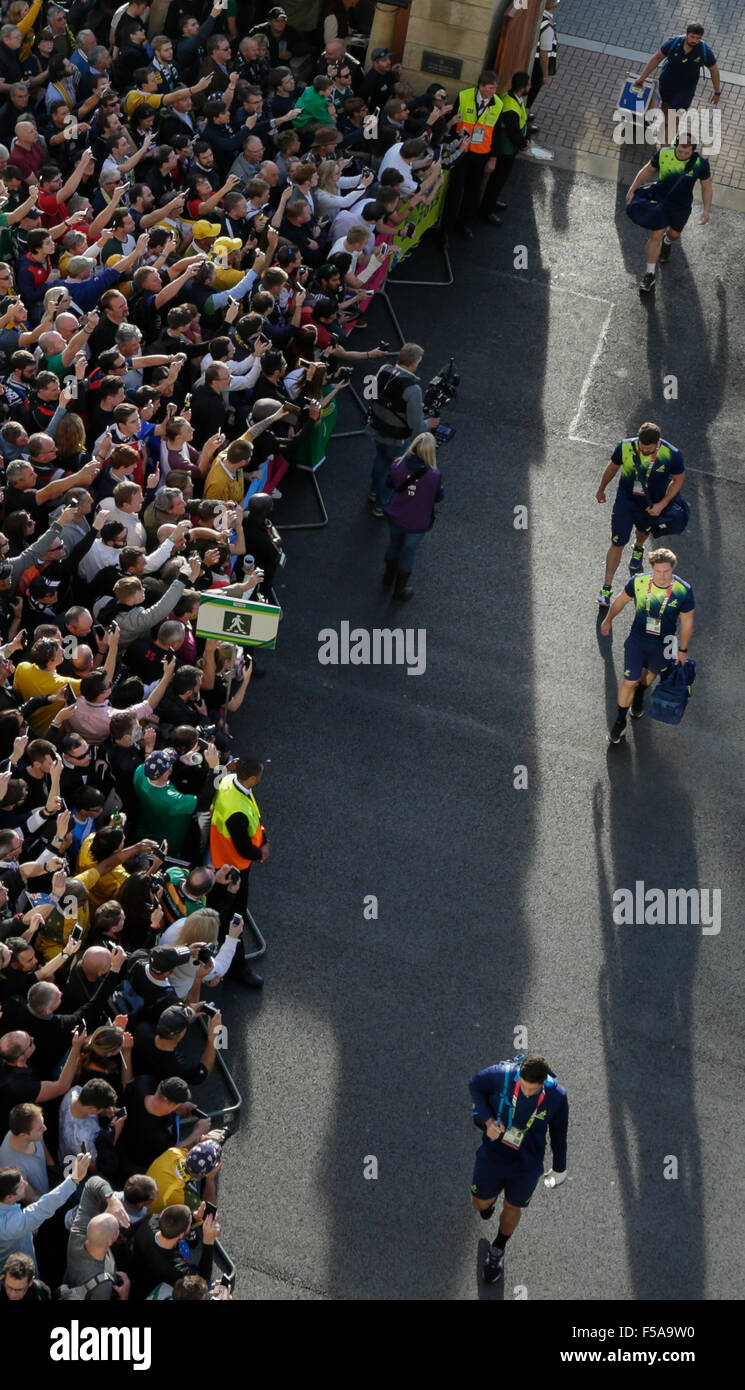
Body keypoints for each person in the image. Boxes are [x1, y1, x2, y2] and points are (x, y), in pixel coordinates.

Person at [469, 1054, 568, 1285]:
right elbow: (474, 1084)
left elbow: (559, 1134)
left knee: (513, 1207)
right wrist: (488, 1121)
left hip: (527, 1162)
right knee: (480, 1203)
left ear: (543, 1082)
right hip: (494, 1153)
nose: (527, 1092)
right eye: (523, 1086)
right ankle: (488, 1204)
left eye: (533, 1089)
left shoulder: (557, 1096)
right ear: (519, 1075)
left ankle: (498, 1249)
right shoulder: (501, 1074)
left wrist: (559, 1169)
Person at [601, 547, 695, 744]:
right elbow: (620, 601)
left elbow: (687, 622)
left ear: (673, 569)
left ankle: (640, 695)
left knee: (649, 675)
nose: (662, 576)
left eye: (666, 571)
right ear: (652, 569)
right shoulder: (639, 582)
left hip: (663, 645)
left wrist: (683, 650)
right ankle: (620, 722)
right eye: (658, 571)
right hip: (638, 641)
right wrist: (608, 620)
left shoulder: (683, 590)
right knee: (629, 681)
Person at [596, 424, 686, 606]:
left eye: (649, 449)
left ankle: (638, 547)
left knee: (642, 532)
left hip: (649, 505)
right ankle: (606, 588)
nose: (644, 450)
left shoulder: (672, 454)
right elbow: (613, 467)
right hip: (625, 503)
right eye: (642, 447)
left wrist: (662, 504)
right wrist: (601, 489)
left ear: (657, 444)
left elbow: (678, 478)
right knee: (617, 542)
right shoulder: (625, 447)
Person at [625, 137, 712, 293]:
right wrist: (632, 189)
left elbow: (706, 186)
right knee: (655, 235)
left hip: (681, 207)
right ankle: (649, 276)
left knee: (674, 234)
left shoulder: (701, 164)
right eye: (680, 150)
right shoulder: (664, 154)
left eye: (687, 152)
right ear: (675, 146)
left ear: (693, 151)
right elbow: (647, 170)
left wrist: (706, 209)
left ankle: (668, 241)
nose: (683, 154)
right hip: (661, 202)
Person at [366, 343, 438, 516]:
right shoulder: (413, 389)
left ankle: (374, 491)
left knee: (380, 459)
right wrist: (430, 424)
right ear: (414, 364)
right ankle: (382, 505)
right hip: (396, 437)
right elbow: (416, 425)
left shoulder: (384, 370)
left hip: (376, 428)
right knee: (393, 468)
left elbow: (374, 396)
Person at [632, 22, 721, 141]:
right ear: (687, 34)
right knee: (666, 104)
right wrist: (641, 79)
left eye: (698, 38)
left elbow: (714, 70)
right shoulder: (673, 42)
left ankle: (667, 144)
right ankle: (665, 124)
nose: (695, 40)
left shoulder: (704, 51)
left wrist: (717, 92)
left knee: (676, 114)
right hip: (667, 81)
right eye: (692, 37)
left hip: (686, 88)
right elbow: (657, 58)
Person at [382, 432, 443, 601]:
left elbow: (389, 483)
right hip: (417, 522)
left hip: (395, 515)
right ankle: (399, 590)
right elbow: (439, 497)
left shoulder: (397, 464)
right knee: (408, 552)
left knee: (394, 544)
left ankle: (388, 577)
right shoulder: (434, 475)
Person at [444, 70, 503, 238]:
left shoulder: (498, 104)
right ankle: (446, 228)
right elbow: (453, 121)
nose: (493, 92)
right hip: (460, 152)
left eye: (495, 88)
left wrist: (493, 157)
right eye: (490, 88)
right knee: (454, 190)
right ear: (481, 86)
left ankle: (464, 223)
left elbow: (497, 133)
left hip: (480, 155)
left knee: (473, 191)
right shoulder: (464, 96)